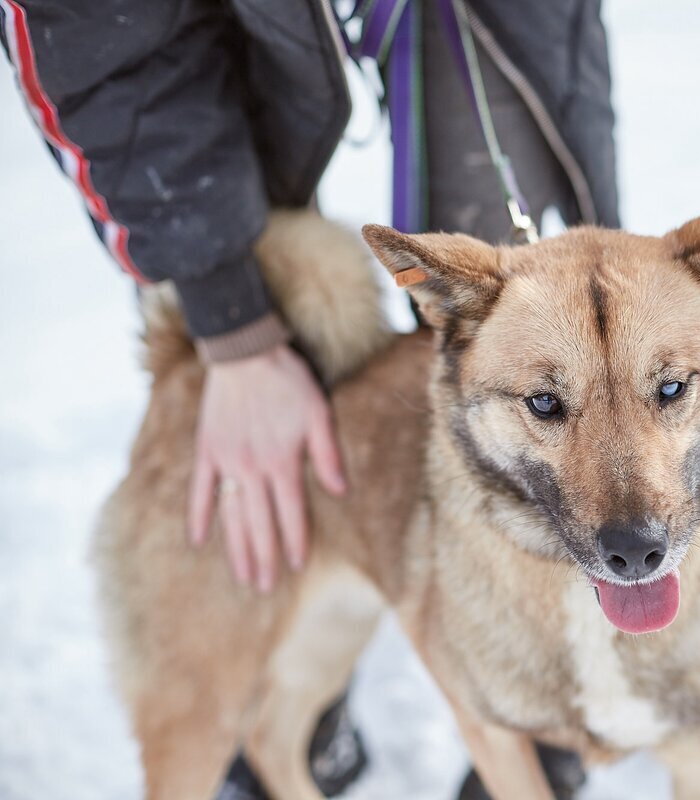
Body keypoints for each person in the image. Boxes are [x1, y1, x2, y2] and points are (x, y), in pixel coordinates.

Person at [1, 0, 619, 796]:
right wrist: (232, 327)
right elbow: (90, 35)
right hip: (185, 39)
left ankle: (544, 728)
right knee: (254, 437)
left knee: (542, 336)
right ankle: (280, 732)